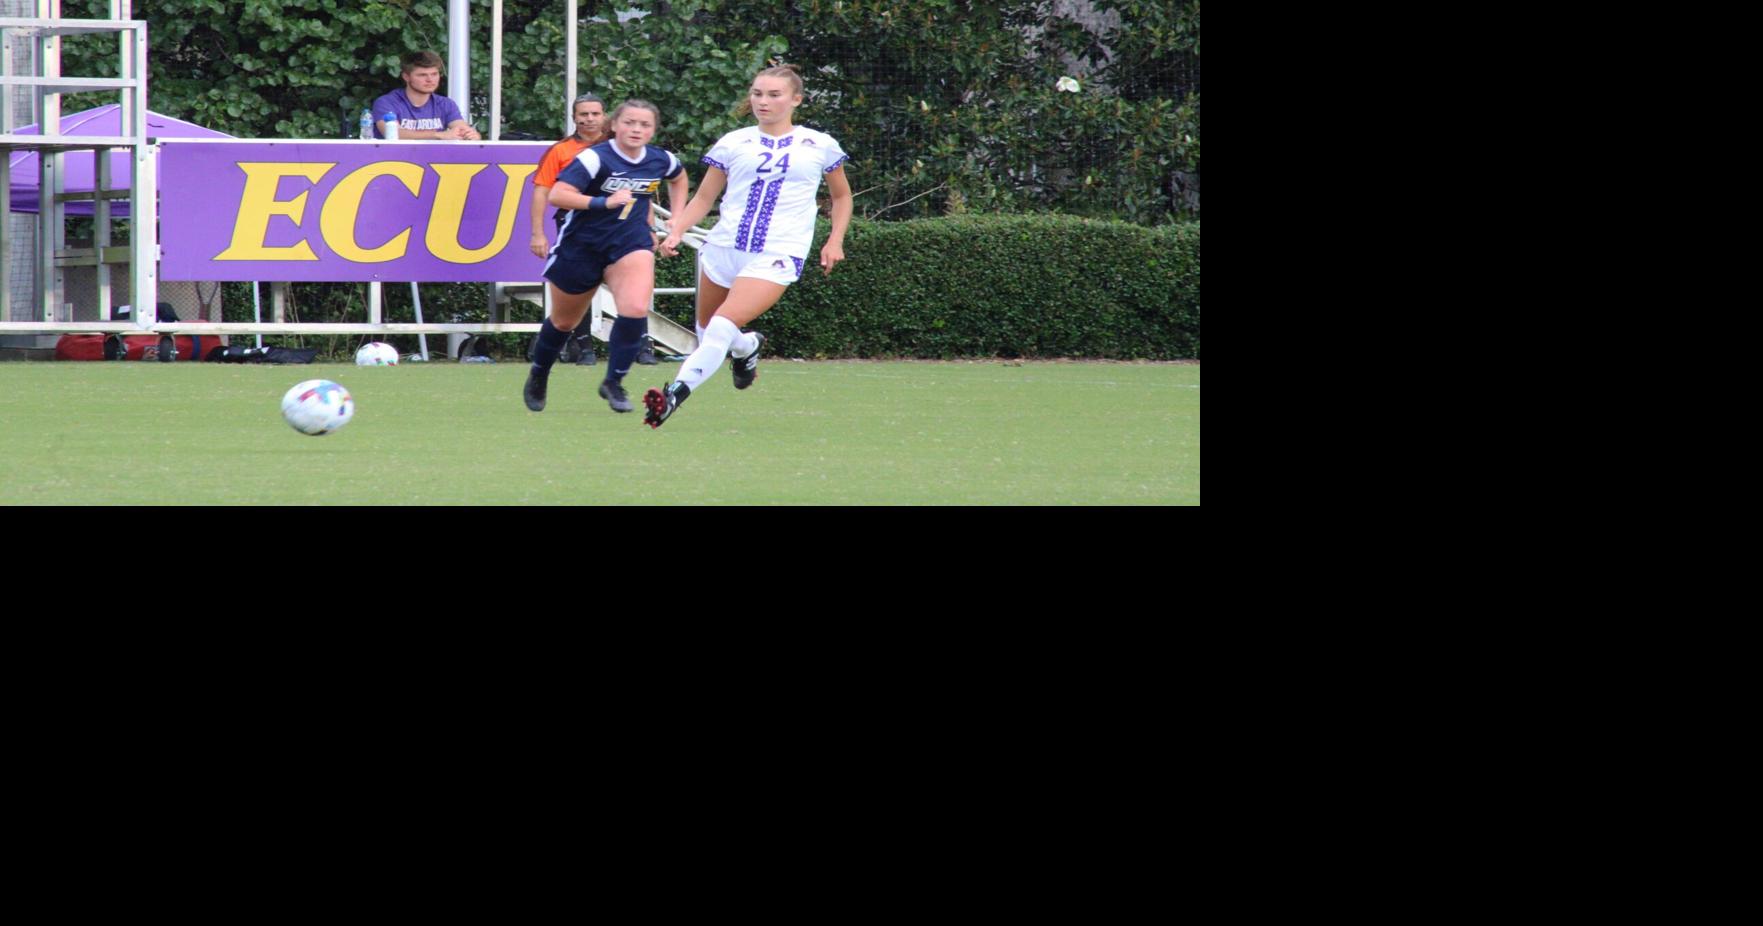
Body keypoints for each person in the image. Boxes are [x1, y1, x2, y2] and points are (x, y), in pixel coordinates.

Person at [647, 64, 852, 429]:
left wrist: (834, 240)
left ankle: (674, 395)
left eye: (774, 95)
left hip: (777, 253)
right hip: (723, 248)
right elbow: (704, 197)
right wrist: (677, 228)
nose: (763, 101)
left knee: (722, 324)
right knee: (711, 330)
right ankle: (747, 348)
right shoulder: (733, 142)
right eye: (758, 93)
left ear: (796, 100)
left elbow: (841, 196)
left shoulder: (819, 144)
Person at [525, 100, 688, 415]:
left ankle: (614, 381)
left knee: (635, 308)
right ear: (614, 125)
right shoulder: (593, 157)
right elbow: (558, 195)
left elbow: (678, 177)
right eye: (629, 123)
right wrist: (604, 203)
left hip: (630, 242)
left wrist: (676, 219)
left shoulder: (660, 159)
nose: (636, 130)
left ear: (653, 130)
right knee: (564, 321)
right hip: (582, 245)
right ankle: (539, 373)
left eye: (644, 125)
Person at [372, 51, 482, 140]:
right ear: (406, 77)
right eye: (422, 75)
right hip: (394, 161)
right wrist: (438, 135)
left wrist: (472, 135)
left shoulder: (446, 104)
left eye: (434, 74)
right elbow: (393, 134)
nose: (430, 80)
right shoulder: (387, 102)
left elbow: (462, 129)